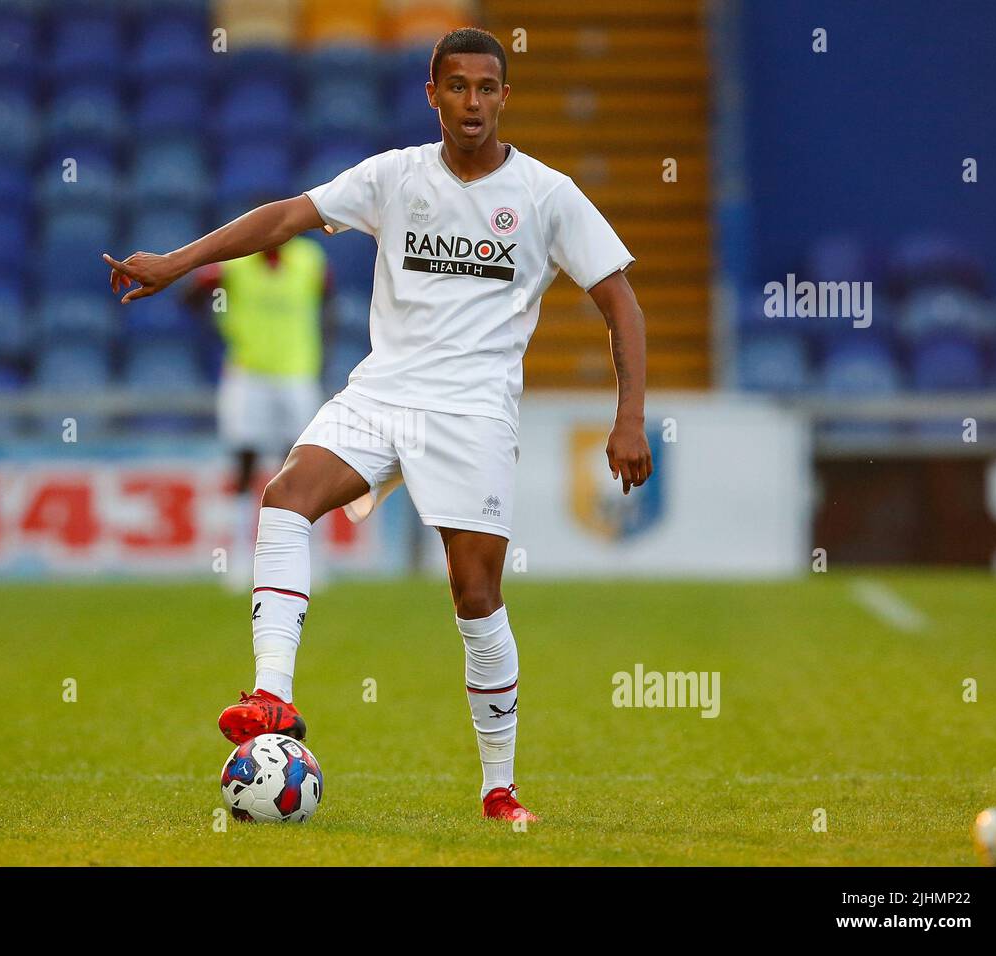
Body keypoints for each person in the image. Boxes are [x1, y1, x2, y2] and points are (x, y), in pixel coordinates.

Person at [103, 27, 652, 821]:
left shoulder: (546, 195)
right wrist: (179, 262)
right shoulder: (395, 176)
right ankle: (271, 700)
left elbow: (619, 301)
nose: (472, 102)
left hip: (471, 414)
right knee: (285, 497)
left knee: (475, 596)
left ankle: (499, 787)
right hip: (382, 393)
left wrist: (628, 416)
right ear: (432, 95)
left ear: (505, 96)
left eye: (486, 87)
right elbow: (285, 217)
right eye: (456, 86)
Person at [182, 209, 334, 591]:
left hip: (297, 373)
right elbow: (192, 295)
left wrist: (321, 353)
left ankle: (310, 557)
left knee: (306, 465)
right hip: (248, 372)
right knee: (245, 461)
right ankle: (238, 556)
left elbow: (327, 302)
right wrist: (217, 320)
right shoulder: (235, 266)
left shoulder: (309, 260)